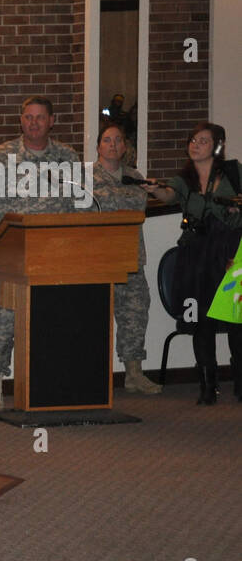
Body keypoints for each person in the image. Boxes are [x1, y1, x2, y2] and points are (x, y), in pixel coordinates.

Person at [0, 96, 83, 410]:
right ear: (21, 120)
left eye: (40, 117)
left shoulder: (67, 157)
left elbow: (80, 204)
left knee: (51, 322)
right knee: (1, 321)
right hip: (9, 256)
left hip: (52, 258)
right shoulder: (1, 155)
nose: (34, 123)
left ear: (52, 121)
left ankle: (50, 385)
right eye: (28, 117)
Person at [147, 122, 242, 403]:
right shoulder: (183, 179)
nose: (195, 144)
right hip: (196, 253)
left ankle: (240, 385)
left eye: (203, 140)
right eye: (192, 140)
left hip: (229, 254)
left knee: (237, 322)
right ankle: (207, 387)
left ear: (217, 146)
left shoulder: (234, 173)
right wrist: (154, 188)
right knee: (201, 321)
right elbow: (167, 194)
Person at [91, 119, 161, 394]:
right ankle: (93, 377)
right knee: (94, 320)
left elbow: (141, 208)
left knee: (135, 316)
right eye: (107, 139)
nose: (113, 144)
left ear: (124, 147)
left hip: (130, 259)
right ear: (98, 146)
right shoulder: (85, 177)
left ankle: (133, 374)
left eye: (118, 140)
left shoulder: (135, 176)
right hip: (97, 261)